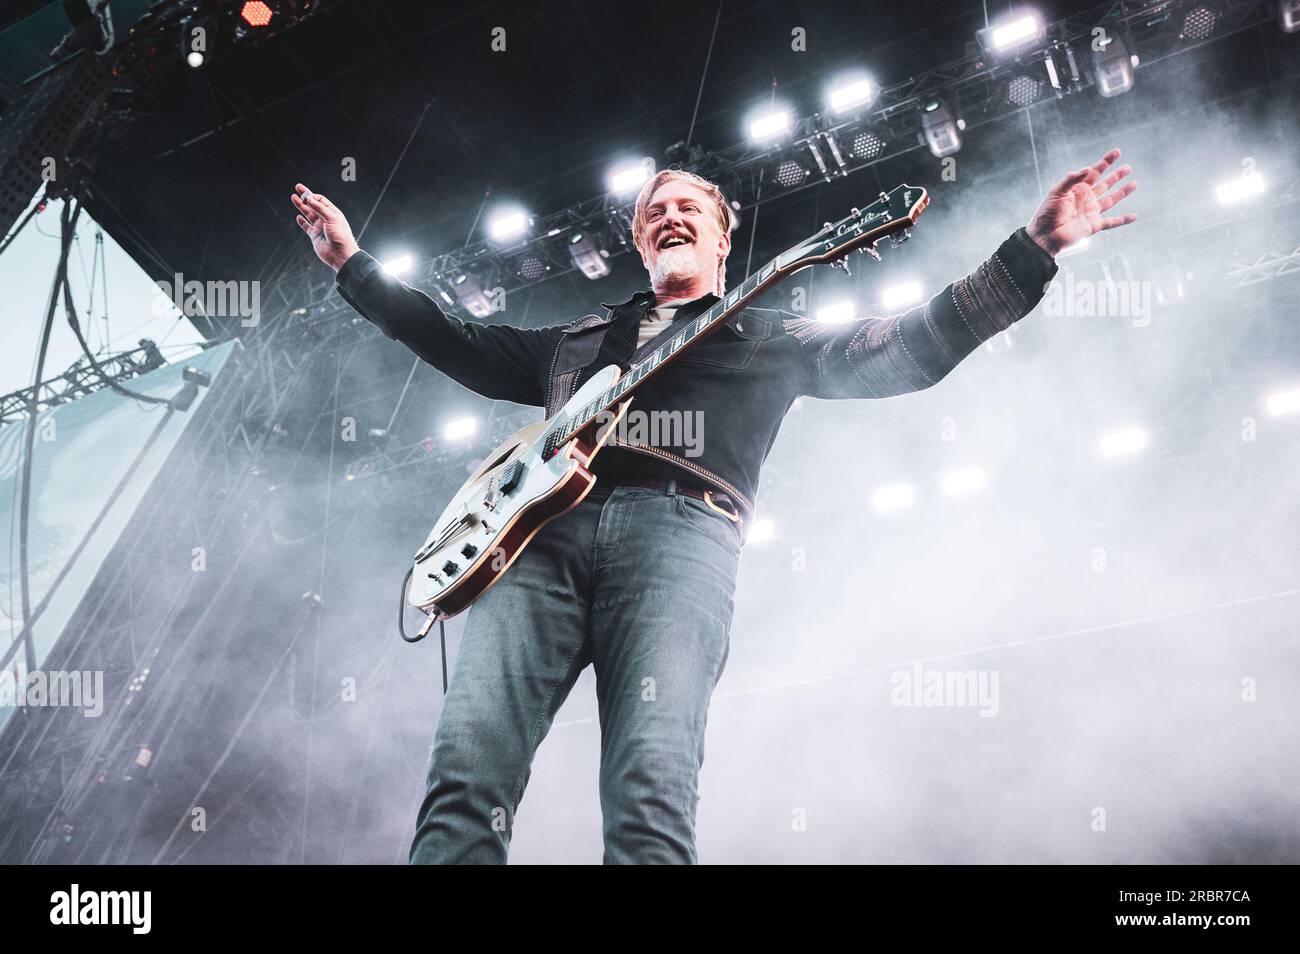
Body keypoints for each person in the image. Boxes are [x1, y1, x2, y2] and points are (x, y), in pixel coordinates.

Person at [290, 149, 1137, 864]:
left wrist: (1032, 252)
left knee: (650, 788)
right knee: (466, 772)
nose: (669, 216)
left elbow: (904, 350)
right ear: (639, 241)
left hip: (681, 536)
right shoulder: (574, 342)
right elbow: (456, 341)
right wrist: (352, 265)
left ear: (722, 237)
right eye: (654, 211)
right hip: (535, 541)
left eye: (688, 207)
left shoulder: (770, 335)